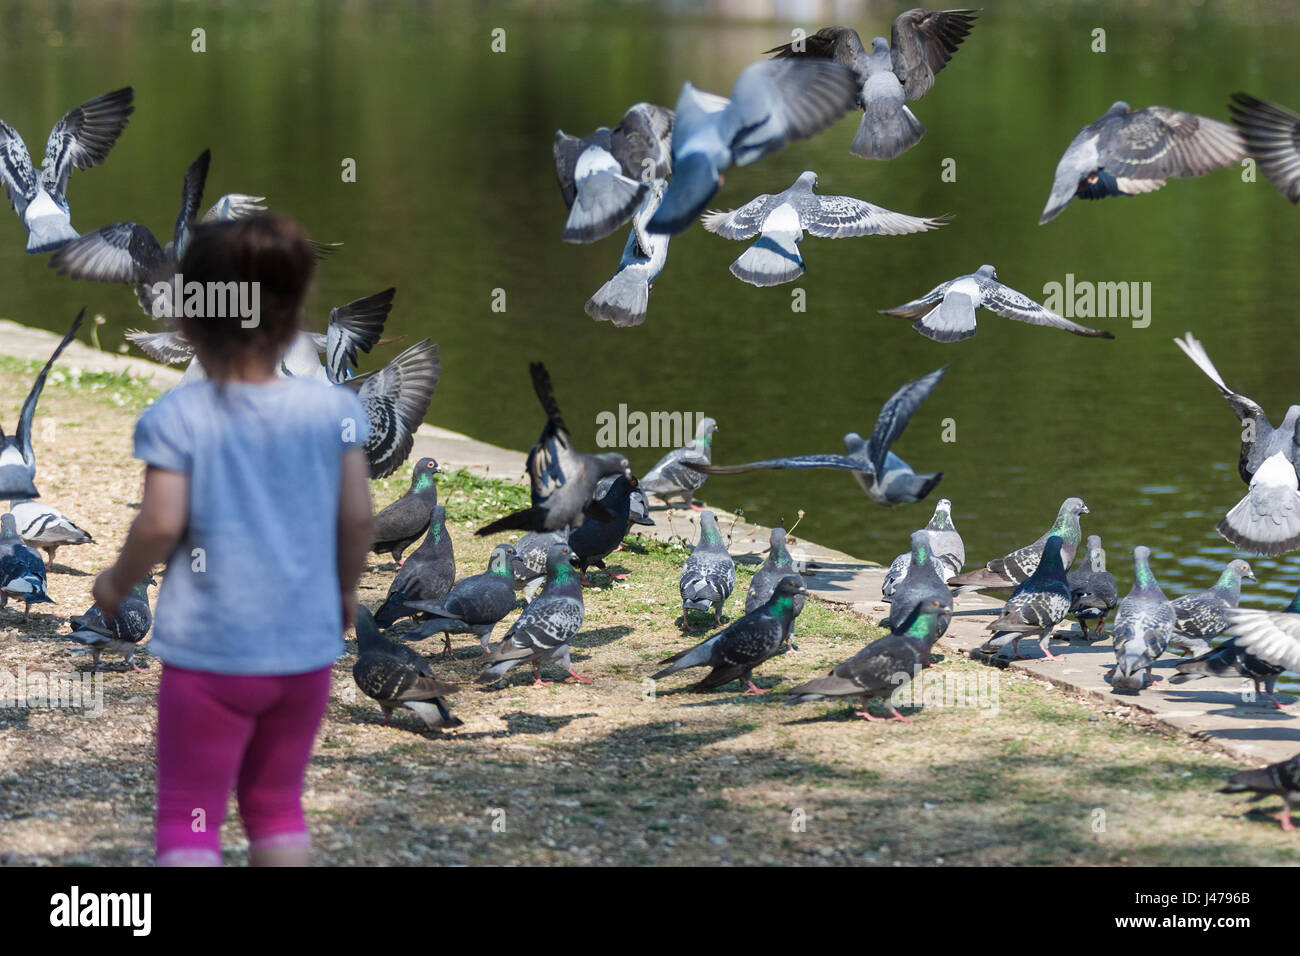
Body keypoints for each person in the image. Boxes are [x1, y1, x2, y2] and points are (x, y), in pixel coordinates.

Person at [93, 216, 375, 866]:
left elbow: (161, 525)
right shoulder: (333, 411)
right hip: (302, 656)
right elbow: (358, 521)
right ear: (295, 314)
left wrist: (116, 582)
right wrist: (342, 591)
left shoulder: (178, 416)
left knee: (189, 816)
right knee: (276, 807)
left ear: (189, 323)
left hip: (208, 658)